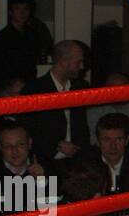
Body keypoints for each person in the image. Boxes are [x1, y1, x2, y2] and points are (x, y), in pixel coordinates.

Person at [20, 40, 90, 170]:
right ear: (63, 62)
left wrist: (80, 149)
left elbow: (83, 126)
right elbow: (28, 128)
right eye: (78, 62)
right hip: (45, 162)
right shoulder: (34, 89)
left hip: (77, 162)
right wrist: (55, 145)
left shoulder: (80, 87)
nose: (82, 67)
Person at [0, 0, 53, 96]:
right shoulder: (0, 39)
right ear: (10, 12)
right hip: (8, 90)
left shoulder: (33, 35)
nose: (22, 13)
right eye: (17, 9)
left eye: (25, 9)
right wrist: (1, 91)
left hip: (29, 87)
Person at [82, 113, 129, 195]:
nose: (113, 146)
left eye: (119, 139)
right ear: (98, 141)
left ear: (127, 140)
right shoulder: (85, 163)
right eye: (107, 140)